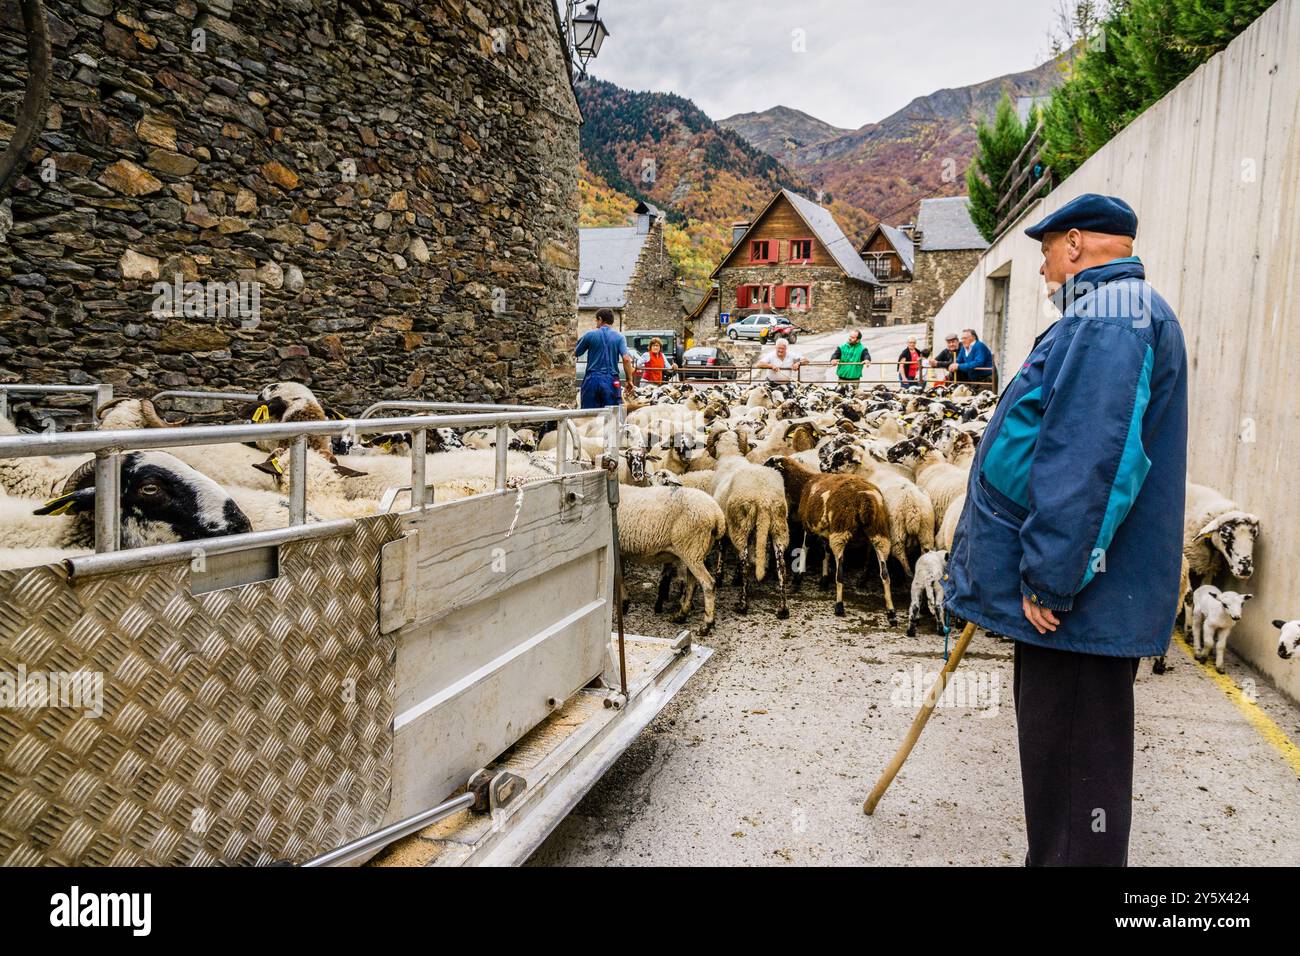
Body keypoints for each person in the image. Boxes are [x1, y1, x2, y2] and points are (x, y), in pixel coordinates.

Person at [944, 193, 1188, 866]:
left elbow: (1091, 458)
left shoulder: (1114, 318)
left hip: (1078, 603)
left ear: (1075, 242)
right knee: (1063, 773)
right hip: (1077, 600)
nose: (1046, 268)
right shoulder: (1106, 314)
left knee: (1079, 779)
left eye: (1048, 251)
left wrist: (1051, 578)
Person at [575, 308, 635, 408]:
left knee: (589, 416)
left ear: (600, 319)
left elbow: (576, 352)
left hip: (592, 380)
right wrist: (629, 380)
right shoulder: (620, 337)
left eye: (596, 320)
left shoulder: (590, 335)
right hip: (611, 380)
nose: (596, 323)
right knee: (612, 415)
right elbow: (626, 359)